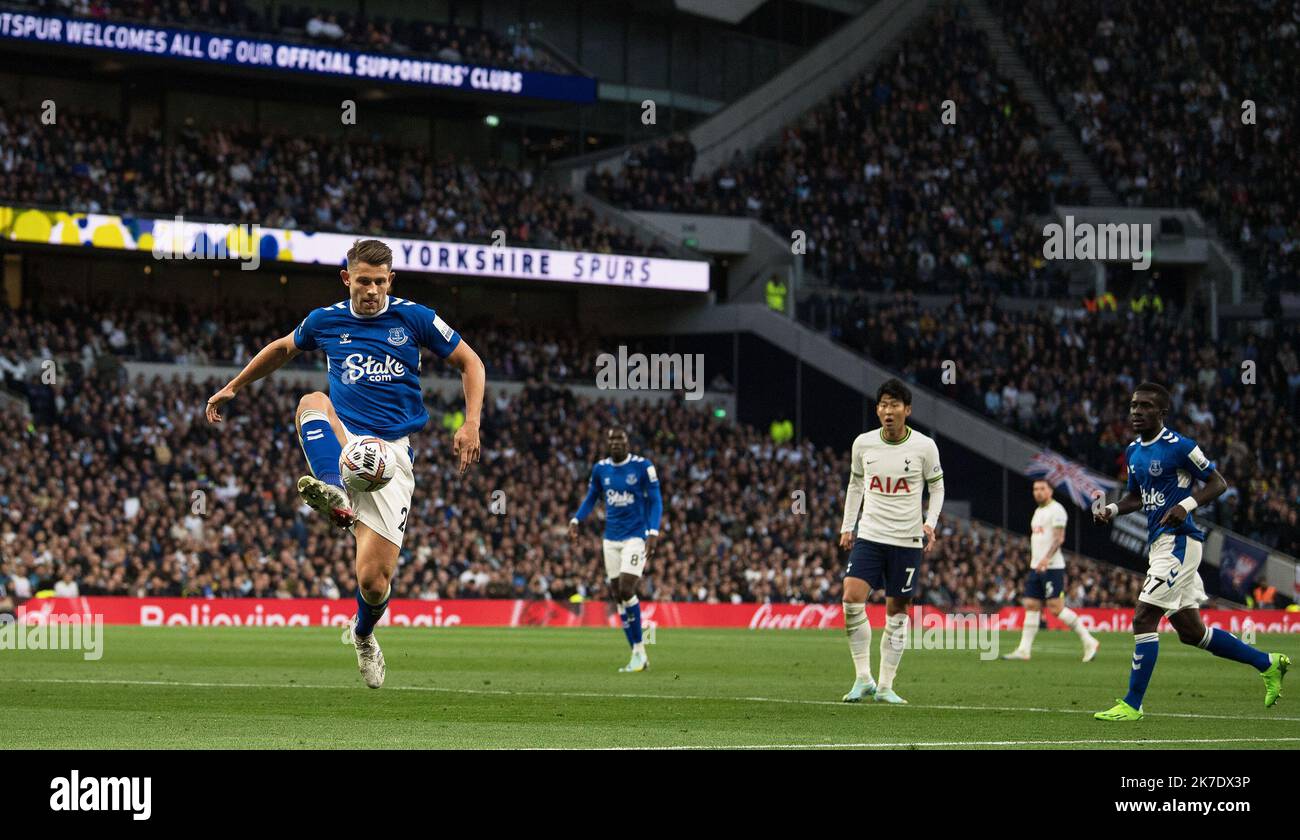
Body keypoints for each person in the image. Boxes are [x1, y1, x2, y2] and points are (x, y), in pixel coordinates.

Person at [205, 238, 485, 689]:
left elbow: (470, 361)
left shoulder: (415, 317)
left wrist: (471, 423)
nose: (371, 290)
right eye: (363, 281)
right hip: (345, 436)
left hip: (391, 454)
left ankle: (363, 634)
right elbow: (282, 348)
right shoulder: (326, 320)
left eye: (380, 282)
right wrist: (234, 385)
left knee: (374, 582)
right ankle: (332, 487)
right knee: (312, 400)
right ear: (346, 278)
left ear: (391, 280)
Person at [1092, 382, 1289, 720]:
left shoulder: (1180, 446)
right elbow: (1136, 497)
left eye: (1145, 406)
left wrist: (1185, 505)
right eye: (1134, 405)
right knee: (1192, 633)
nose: (1136, 411)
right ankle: (1267, 663)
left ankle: (1132, 704)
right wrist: (1111, 510)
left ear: (1162, 412)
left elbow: (1218, 483)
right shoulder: (1133, 451)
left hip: (1180, 542)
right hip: (1159, 544)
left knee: (1143, 617)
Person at [838, 378, 944, 704]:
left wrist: (930, 523)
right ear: (877, 409)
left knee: (897, 610)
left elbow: (937, 487)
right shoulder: (863, 444)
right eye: (883, 405)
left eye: (894, 405)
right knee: (851, 597)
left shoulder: (924, 446)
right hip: (870, 534)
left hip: (907, 539)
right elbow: (855, 484)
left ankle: (885, 685)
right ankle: (863, 678)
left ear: (907, 410)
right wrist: (847, 526)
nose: (888, 411)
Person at [569, 427, 663, 673]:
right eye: (612, 440)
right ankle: (637, 654)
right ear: (607, 443)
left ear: (628, 442)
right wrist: (577, 519)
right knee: (618, 596)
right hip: (610, 540)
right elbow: (592, 497)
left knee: (626, 589)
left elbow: (656, 500)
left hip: (635, 537)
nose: (616, 443)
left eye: (620, 439)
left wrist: (653, 532)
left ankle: (639, 650)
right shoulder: (601, 469)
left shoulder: (643, 467)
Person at [1002, 480, 1099, 662]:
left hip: (1052, 567)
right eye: (1035, 489)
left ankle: (1089, 641)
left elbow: (1059, 538)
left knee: (1056, 608)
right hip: (1036, 567)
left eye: (1042, 489)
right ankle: (1024, 650)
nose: (1038, 492)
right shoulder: (1038, 511)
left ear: (1050, 491)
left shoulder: (1057, 510)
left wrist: (1046, 558)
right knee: (1031, 604)